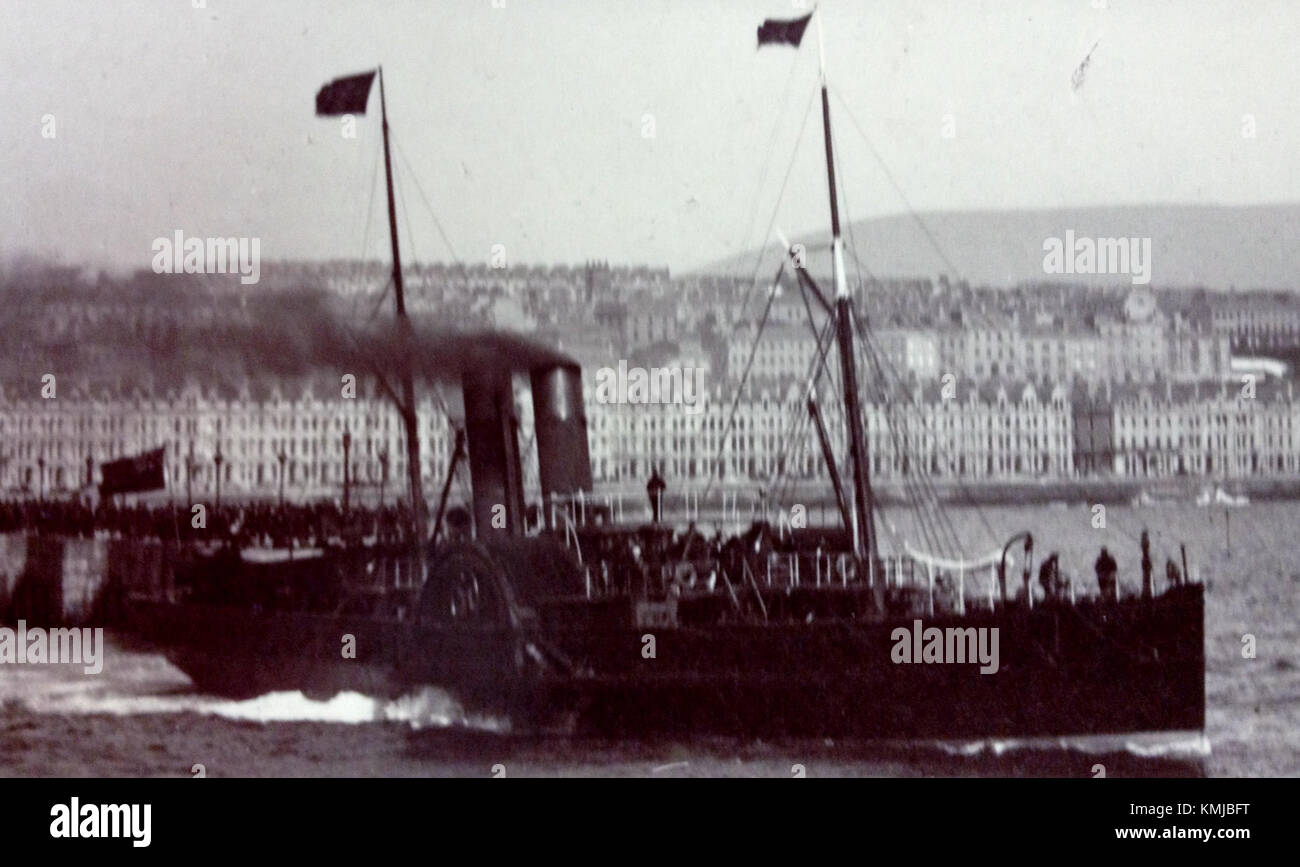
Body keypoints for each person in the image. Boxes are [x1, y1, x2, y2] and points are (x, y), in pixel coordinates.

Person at [1140, 530, 1153, 598]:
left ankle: (1147, 593)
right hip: (1146, 564)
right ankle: (1147, 593)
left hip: (1146, 564)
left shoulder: (1144, 545)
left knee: (1146, 580)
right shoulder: (1145, 545)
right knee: (1146, 580)